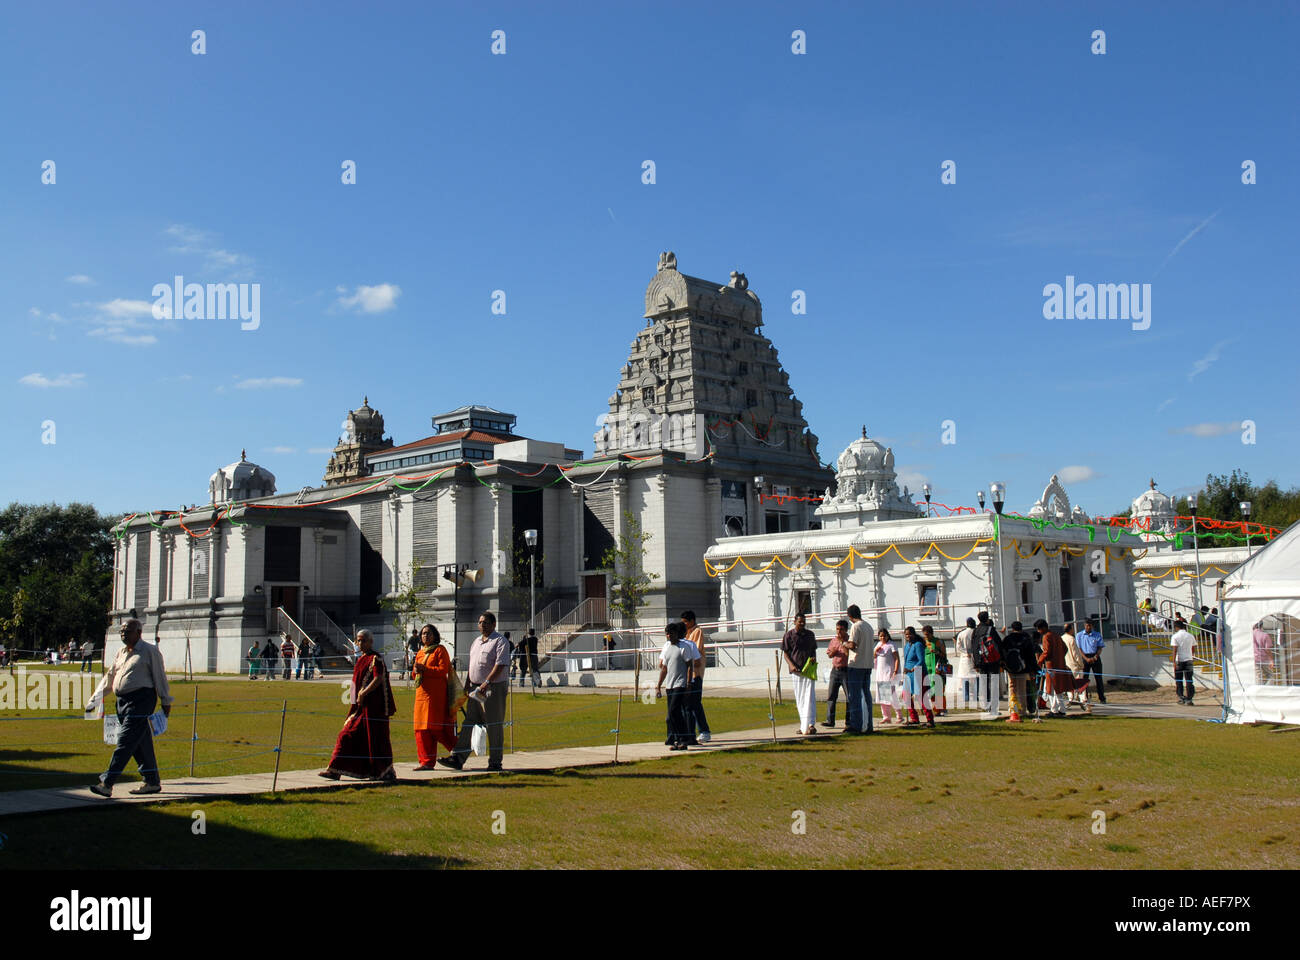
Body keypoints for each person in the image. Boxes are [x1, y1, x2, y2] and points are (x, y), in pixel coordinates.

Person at [87, 619, 174, 797]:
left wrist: (165, 701)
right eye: (122, 631)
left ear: (139, 633)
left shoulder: (150, 652)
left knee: (126, 741)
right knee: (140, 743)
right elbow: (110, 677)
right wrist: (95, 699)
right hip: (122, 702)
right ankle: (152, 781)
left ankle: (107, 782)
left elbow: (160, 676)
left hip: (141, 701)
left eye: (127, 631)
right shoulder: (121, 652)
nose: (123, 634)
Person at [319, 629, 397, 781]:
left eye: (363, 640)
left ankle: (383, 770)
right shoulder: (361, 660)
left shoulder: (376, 658)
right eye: (358, 641)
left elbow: (378, 678)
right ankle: (335, 769)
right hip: (360, 708)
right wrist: (354, 698)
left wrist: (363, 692)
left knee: (375, 739)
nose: (360, 644)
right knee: (346, 735)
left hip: (374, 708)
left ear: (370, 642)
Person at [438, 612, 510, 772]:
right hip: (474, 689)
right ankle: (457, 758)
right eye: (480, 622)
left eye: (485, 622)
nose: (482, 625)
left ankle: (495, 762)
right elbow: (473, 666)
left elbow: (500, 665)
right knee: (469, 723)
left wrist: (487, 683)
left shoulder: (500, 641)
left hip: (492, 689)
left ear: (493, 624)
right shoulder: (476, 642)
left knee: (493, 725)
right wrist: (466, 686)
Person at [411, 624, 456, 770]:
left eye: (428, 633)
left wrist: (425, 669)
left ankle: (458, 753)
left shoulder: (440, 650)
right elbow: (414, 674)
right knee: (421, 729)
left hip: (436, 696)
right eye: (423, 634)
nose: (425, 636)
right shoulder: (420, 652)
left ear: (435, 635)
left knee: (435, 728)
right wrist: (416, 670)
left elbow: (443, 670)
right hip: (421, 696)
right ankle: (426, 762)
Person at [656, 621, 699, 750]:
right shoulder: (668, 649)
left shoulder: (683, 647)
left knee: (674, 711)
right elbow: (664, 669)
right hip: (670, 685)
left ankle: (684, 739)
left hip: (680, 685)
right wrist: (658, 686)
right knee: (672, 714)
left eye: (671, 633)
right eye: (667, 634)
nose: (669, 636)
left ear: (676, 634)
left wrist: (688, 684)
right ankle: (678, 740)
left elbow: (689, 666)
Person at [781, 612, 818, 735]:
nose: (802, 623)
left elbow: (813, 651)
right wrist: (791, 665)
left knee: (810, 697)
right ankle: (804, 724)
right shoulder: (789, 635)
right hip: (796, 671)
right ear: (794, 621)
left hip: (808, 671)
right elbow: (786, 653)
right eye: (800, 621)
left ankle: (811, 724)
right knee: (800, 698)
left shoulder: (810, 635)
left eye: (804, 621)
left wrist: (813, 659)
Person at [681, 611, 712, 744]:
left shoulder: (697, 632)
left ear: (692, 620)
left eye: (686, 622)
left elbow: (696, 651)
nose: (684, 624)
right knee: (688, 706)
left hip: (696, 673)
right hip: (687, 673)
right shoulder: (686, 634)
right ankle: (690, 732)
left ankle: (704, 731)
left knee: (695, 704)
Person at [844, 604, 874, 734]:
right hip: (867, 664)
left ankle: (856, 724)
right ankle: (868, 724)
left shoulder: (855, 626)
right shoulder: (869, 626)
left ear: (850, 616)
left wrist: (843, 643)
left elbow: (852, 644)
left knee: (855, 696)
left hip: (856, 664)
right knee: (866, 695)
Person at [999, 621, 1037, 723]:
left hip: (1011, 668)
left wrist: (1004, 665)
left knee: (1012, 688)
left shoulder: (1007, 639)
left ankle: (1012, 709)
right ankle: (1022, 710)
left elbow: (1002, 652)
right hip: (1023, 668)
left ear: (1012, 628)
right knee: (1022, 689)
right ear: (1021, 628)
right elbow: (1031, 656)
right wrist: (1033, 669)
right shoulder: (1026, 639)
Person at [1035, 619, 1071, 717]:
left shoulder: (1046, 636)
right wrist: (1059, 657)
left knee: (1050, 689)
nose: (1039, 632)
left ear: (1043, 628)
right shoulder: (1056, 635)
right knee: (1058, 689)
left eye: (1039, 629)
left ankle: (1054, 710)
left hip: (1051, 667)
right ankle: (1061, 709)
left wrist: (1039, 661)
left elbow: (1046, 651)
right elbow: (1065, 648)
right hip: (1060, 665)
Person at [972, 611, 1003, 718]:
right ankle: (993, 708)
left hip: (980, 661)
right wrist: (1001, 659)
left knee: (984, 683)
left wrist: (975, 662)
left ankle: (985, 705)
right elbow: (999, 644)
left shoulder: (975, 631)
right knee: (993, 683)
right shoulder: (990, 629)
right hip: (992, 660)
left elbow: (974, 647)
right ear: (987, 619)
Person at [902, 626, 933, 728]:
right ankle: (914, 718)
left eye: (910, 634)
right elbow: (906, 660)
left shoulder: (918, 645)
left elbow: (921, 660)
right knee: (906, 695)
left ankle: (930, 720)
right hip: (908, 674)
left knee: (921, 697)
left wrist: (912, 669)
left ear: (914, 634)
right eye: (906, 634)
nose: (908, 636)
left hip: (918, 673)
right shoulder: (907, 646)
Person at [824, 620, 849, 727]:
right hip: (835, 670)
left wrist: (843, 644)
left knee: (849, 697)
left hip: (846, 671)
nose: (839, 632)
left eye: (841, 629)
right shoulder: (833, 640)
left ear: (846, 630)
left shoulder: (849, 640)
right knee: (831, 696)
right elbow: (829, 654)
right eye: (837, 629)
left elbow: (849, 654)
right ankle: (830, 720)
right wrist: (833, 652)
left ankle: (849, 721)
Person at [1076, 619, 1107, 704]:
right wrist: (1086, 658)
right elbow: (1079, 649)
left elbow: (1100, 648)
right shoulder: (1079, 635)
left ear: (1092, 626)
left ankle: (1102, 698)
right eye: (1086, 625)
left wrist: (1095, 657)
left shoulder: (1097, 635)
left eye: (1090, 626)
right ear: (1084, 625)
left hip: (1095, 657)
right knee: (1084, 679)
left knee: (1098, 679)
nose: (1088, 627)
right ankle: (1084, 697)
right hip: (1085, 657)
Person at [873, 629, 901, 723]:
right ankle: (886, 716)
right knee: (882, 695)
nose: (882, 638)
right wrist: (875, 651)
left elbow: (896, 658)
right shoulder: (878, 645)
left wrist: (895, 671)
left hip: (889, 672)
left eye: (884, 636)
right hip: (880, 673)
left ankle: (899, 715)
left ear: (888, 636)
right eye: (880, 636)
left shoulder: (891, 645)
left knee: (892, 695)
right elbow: (874, 657)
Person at [1062, 623, 1090, 712]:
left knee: (1069, 683)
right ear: (1070, 629)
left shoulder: (1061, 638)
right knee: (1080, 684)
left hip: (1066, 664)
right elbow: (1076, 654)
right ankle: (1083, 701)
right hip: (1074, 665)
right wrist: (1081, 664)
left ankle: (1070, 699)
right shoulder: (1071, 639)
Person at [922, 625, 948, 715]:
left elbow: (944, 655)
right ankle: (936, 709)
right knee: (930, 690)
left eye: (928, 635)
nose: (926, 637)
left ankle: (942, 709)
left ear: (931, 633)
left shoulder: (938, 642)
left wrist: (937, 652)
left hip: (937, 670)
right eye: (925, 635)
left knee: (939, 689)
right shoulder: (923, 642)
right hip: (927, 670)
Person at [952, 617, 978, 710]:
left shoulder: (962, 633)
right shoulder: (976, 632)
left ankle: (966, 697)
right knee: (975, 677)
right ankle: (975, 696)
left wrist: (965, 652)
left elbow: (958, 646)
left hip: (964, 657)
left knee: (965, 678)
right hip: (975, 656)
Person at [1170, 616, 1196, 706]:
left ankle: (1181, 696)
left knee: (1179, 680)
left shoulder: (1175, 636)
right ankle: (1190, 698)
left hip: (1179, 660)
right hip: (1189, 659)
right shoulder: (1190, 635)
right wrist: (1192, 655)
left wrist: (1173, 661)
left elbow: (1175, 649)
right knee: (1189, 680)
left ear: (1176, 627)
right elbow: (1193, 647)